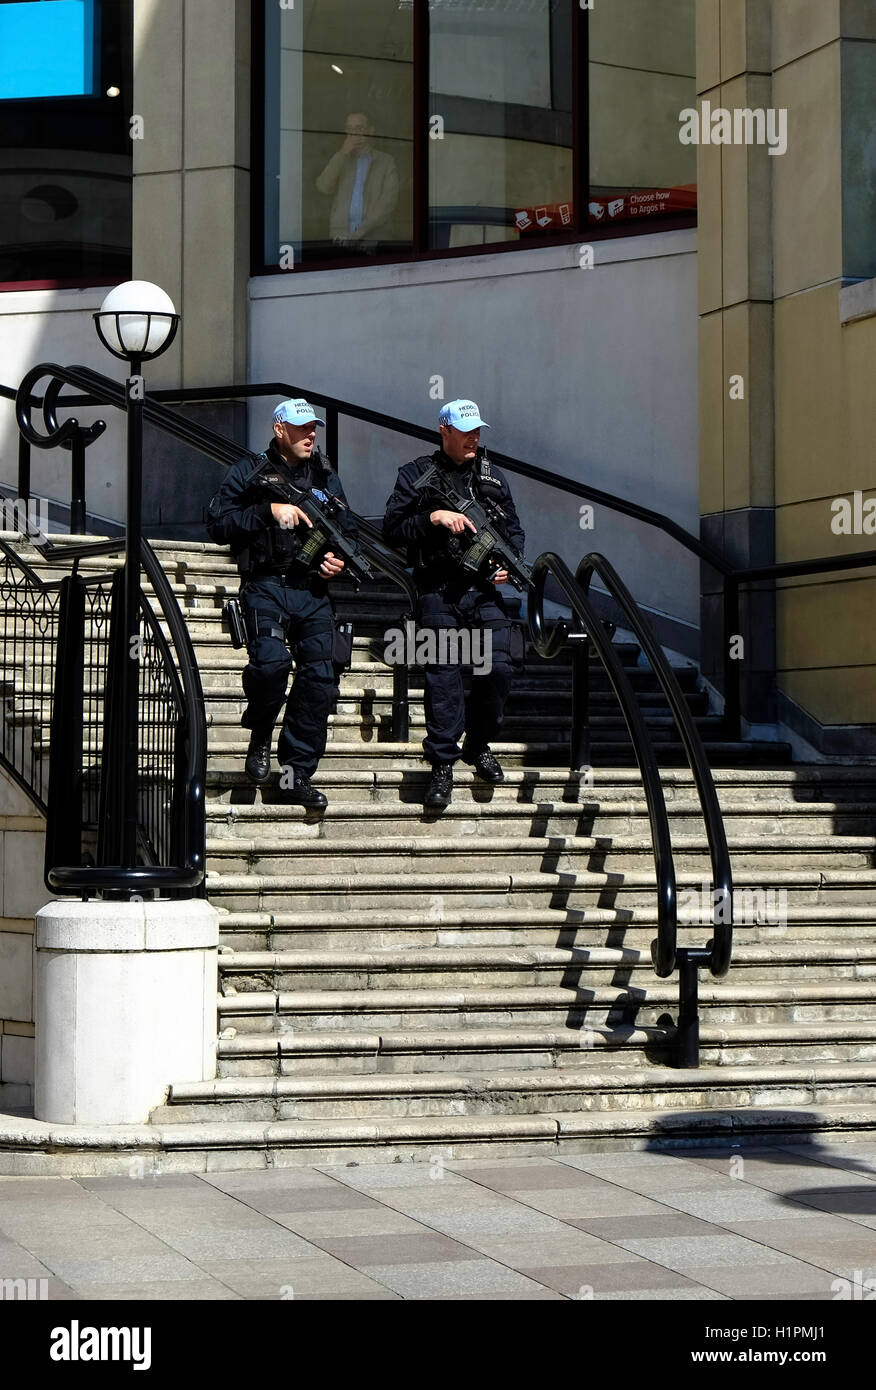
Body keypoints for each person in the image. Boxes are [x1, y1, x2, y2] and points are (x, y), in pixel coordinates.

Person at [206, 399, 357, 809]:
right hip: (266, 584)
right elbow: (218, 522)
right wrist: (267, 511)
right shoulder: (249, 471)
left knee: (320, 680)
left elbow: (345, 532)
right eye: (302, 427)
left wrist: (334, 562)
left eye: (314, 428)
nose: (311, 435)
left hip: (312, 591)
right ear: (279, 429)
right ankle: (260, 735)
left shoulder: (326, 477)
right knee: (271, 665)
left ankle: (296, 774)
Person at [382, 399, 524, 808]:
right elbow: (392, 529)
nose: (474, 438)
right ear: (444, 431)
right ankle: (442, 763)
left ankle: (477, 745)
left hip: (483, 592)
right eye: (466, 431)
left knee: (499, 667)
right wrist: (433, 519)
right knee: (443, 677)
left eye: (478, 430)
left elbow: (514, 531)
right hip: (439, 590)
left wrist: (506, 565)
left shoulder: (493, 477)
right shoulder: (415, 476)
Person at [315, 111, 399, 253]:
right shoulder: (340, 158)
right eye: (350, 129)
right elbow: (323, 187)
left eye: (359, 128)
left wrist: (361, 231)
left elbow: (388, 202)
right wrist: (342, 153)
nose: (354, 134)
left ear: (371, 131)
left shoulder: (386, 161)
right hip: (340, 236)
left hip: (373, 237)